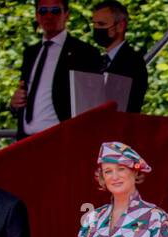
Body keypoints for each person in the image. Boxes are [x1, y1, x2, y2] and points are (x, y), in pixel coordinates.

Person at [12, 1, 104, 139]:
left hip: (62, 140)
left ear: (66, 15)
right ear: (37, 15)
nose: (49, 16)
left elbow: (93, 103)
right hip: (26, 141)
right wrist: (15, 104)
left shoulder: (85, 53)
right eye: (43, 11)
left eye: (55, 11)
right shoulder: (30, 53)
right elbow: (27, 96)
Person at [91, 2, 147, 113]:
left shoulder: (133, 62)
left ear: (120, 26)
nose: (96, 29)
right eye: (94, 24)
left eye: (101, 24)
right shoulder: (98, 61)